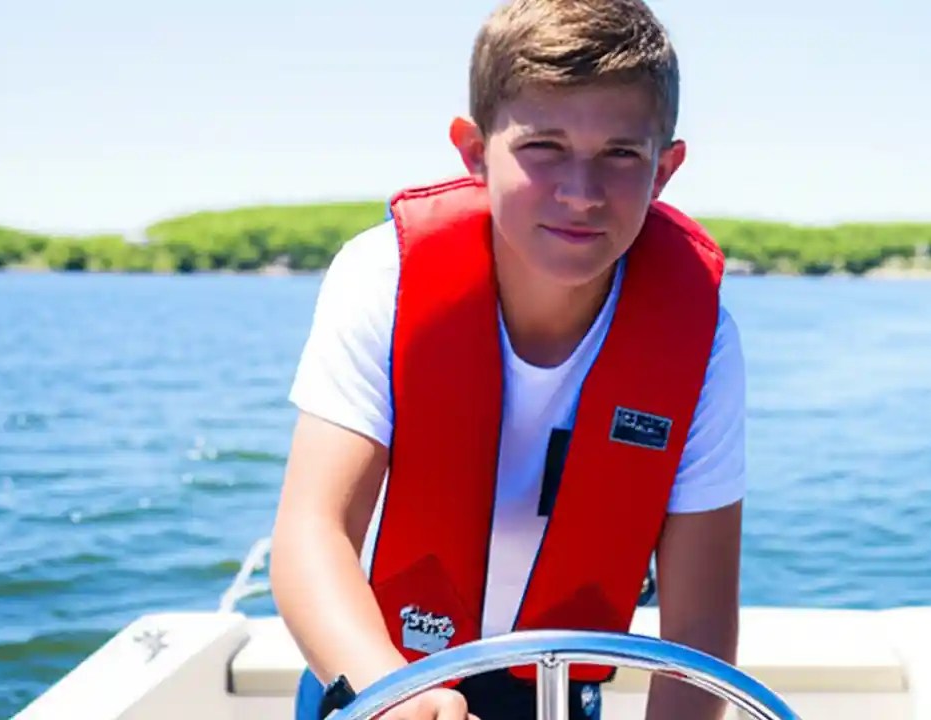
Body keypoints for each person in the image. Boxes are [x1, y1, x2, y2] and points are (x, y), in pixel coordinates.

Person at [269, 1, 746, 718]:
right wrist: (394, 696)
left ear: (666, 168)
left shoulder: (703, 338)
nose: (581, 193)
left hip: (559, 696)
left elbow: (698, 629)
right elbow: (314, 532)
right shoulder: (383, 278)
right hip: (373, 676)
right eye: (543, 147)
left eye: (621, 154)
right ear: (472, 150)